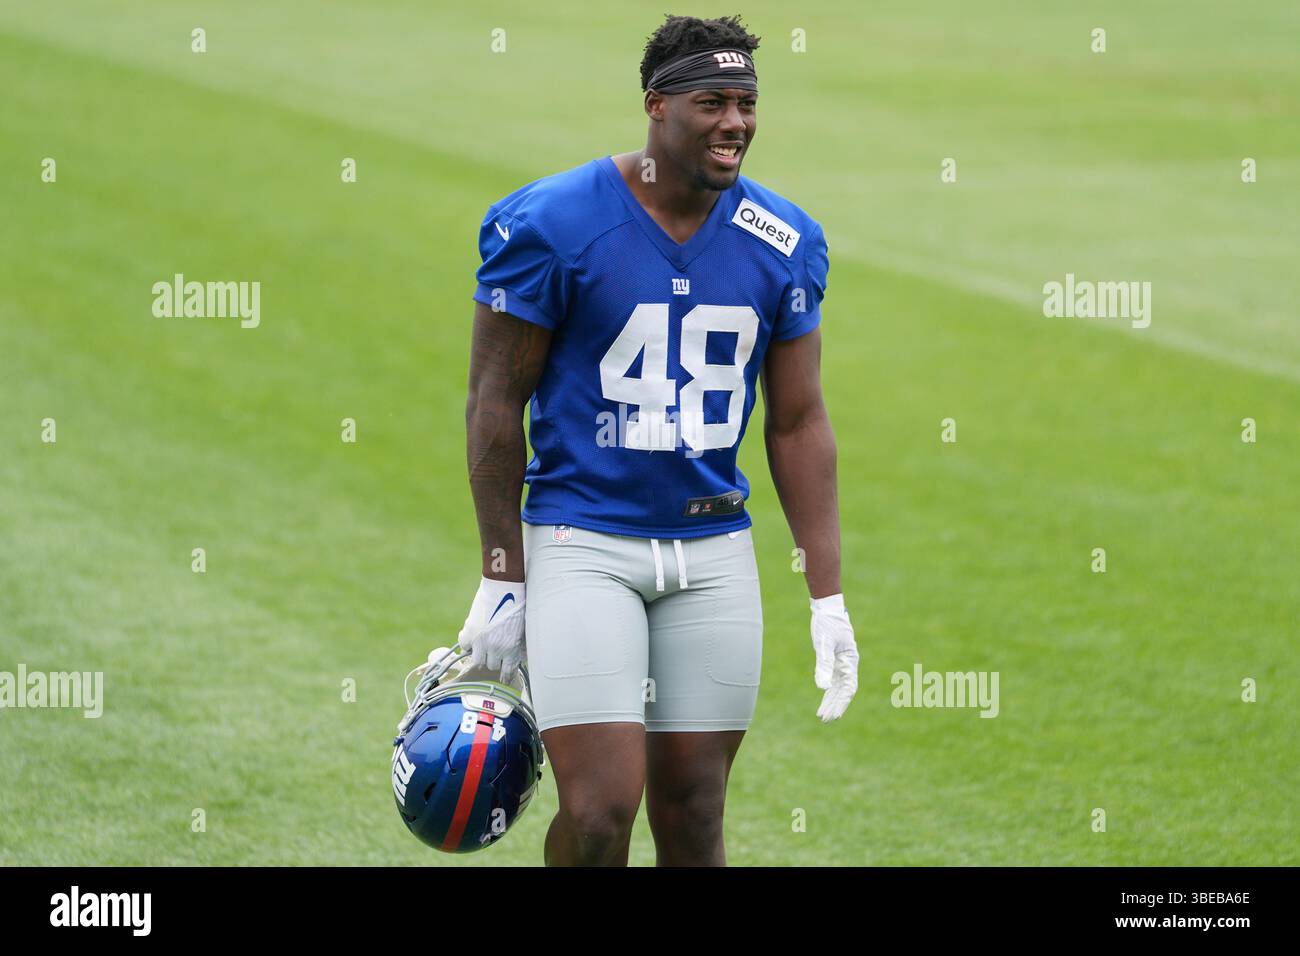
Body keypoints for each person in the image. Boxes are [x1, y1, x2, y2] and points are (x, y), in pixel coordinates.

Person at [457, 14, 858, 866]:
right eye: (712, 101)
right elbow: (495, 406)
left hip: (712, 547)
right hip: (583, 538)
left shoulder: (782, 241)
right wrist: (502, 575)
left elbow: (797, 420)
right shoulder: (555, 222)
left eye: (746, 103)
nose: (735, 123)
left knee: (695, 810)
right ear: (655, 105)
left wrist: (827, 595)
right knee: (601, 813)